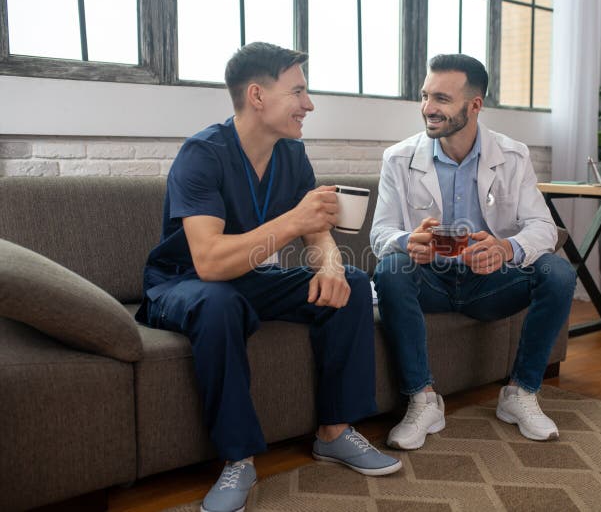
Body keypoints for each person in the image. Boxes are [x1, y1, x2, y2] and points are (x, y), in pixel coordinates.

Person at [136, 42, 401, 512]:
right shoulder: (202, 155)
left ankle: (334, 431)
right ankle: (238, 458)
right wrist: (294, 222)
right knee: (220, 303)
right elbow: (211, 264)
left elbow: (316, 228)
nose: (309, 104)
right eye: (298, 91)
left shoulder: (291, 155)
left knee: (355, 285)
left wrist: (333, 266)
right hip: (183, 284)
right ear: (257, 95)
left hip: (251, 281)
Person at [370, 54, 576, 451]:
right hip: (429, 282)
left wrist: (505, 248)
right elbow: (381, 231)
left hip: (490, 285)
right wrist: (406, 241)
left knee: (559, 272)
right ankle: (423, 399)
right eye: (425, 96)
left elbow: (543, 228)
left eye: (442, 99)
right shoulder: (397, 158)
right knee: (392, 267)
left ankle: (519, 393)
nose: (428, 108)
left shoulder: (513, 155)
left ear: (474, 105)